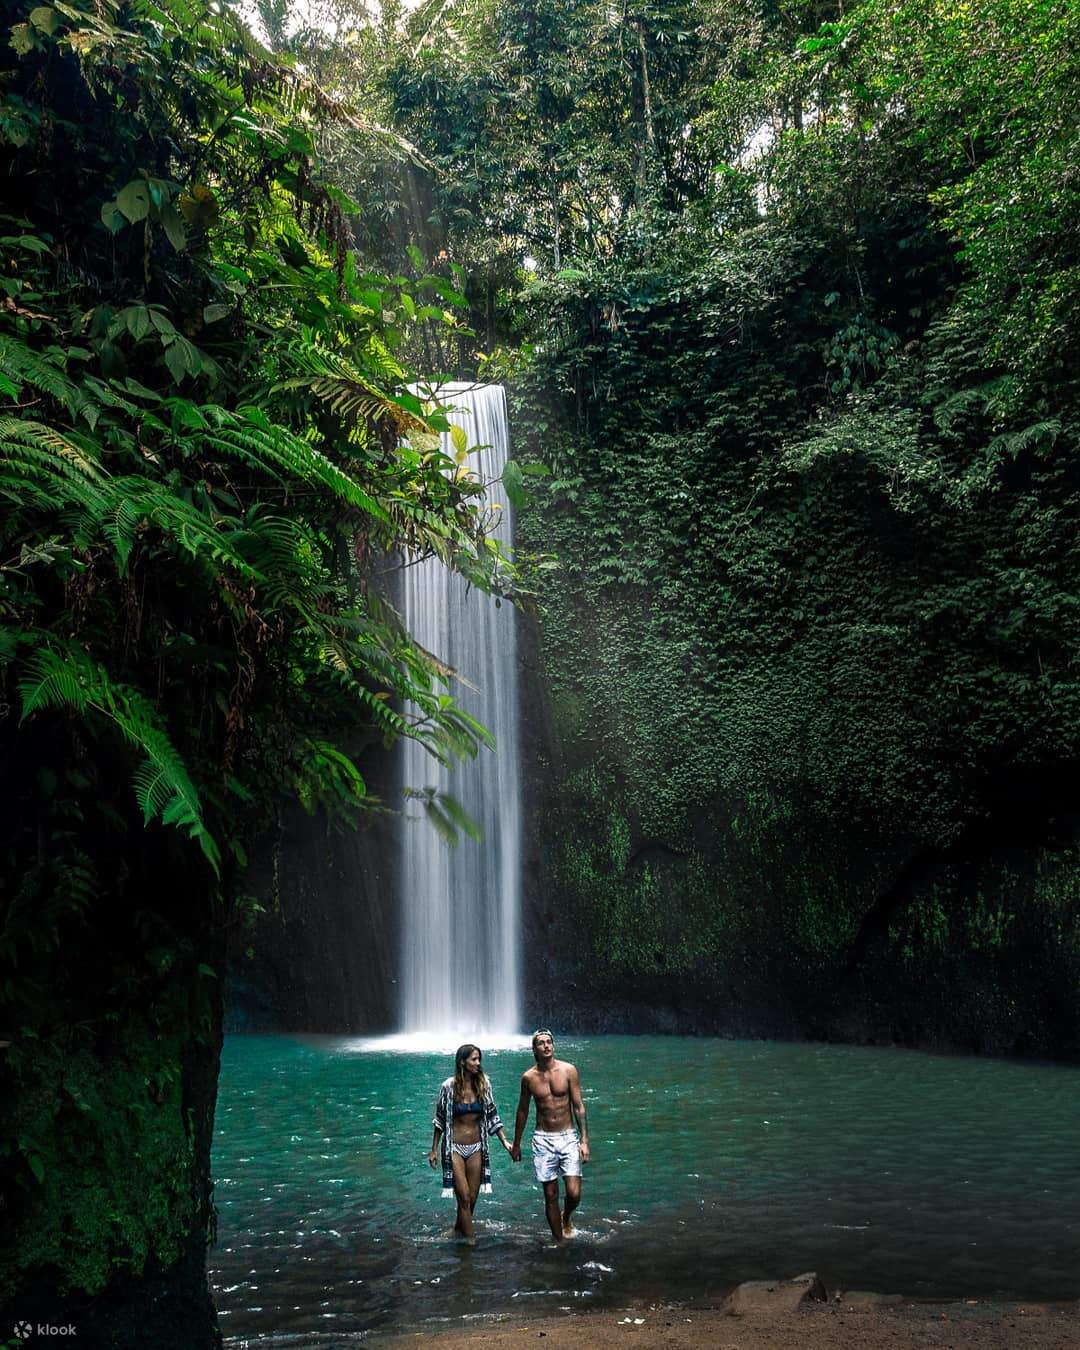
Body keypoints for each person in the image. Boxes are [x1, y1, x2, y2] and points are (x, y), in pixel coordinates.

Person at [510, 1029, 590, 1242]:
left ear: (553, 1046)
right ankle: (559, 1241)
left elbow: (578, 1106)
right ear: (534, 1049)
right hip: (543, 1139)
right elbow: (523, 1110)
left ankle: (566, 1217)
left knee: (574, 1193)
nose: (546, 1046)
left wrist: (584, 1140)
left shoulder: (568, 1070)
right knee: (550, 1195)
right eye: (541, 1043)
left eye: (549, 1042)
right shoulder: (528, 1077)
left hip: (568, 1137)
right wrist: (516, 1144)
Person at [429, 1043, 513, 1237]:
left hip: (477, 1147)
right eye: (474, 1059)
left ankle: (458, 1229)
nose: (478, 1063)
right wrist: (434, 1150)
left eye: (479, 1059)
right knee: (464, 1198)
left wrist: (505, 1142)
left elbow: (492, 1115)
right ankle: (470, 1243)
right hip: (454, 1148)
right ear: (462, 1062)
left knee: (472, 1199)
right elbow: (439, 1119)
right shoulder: (448, 1087)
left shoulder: (484, 1084)